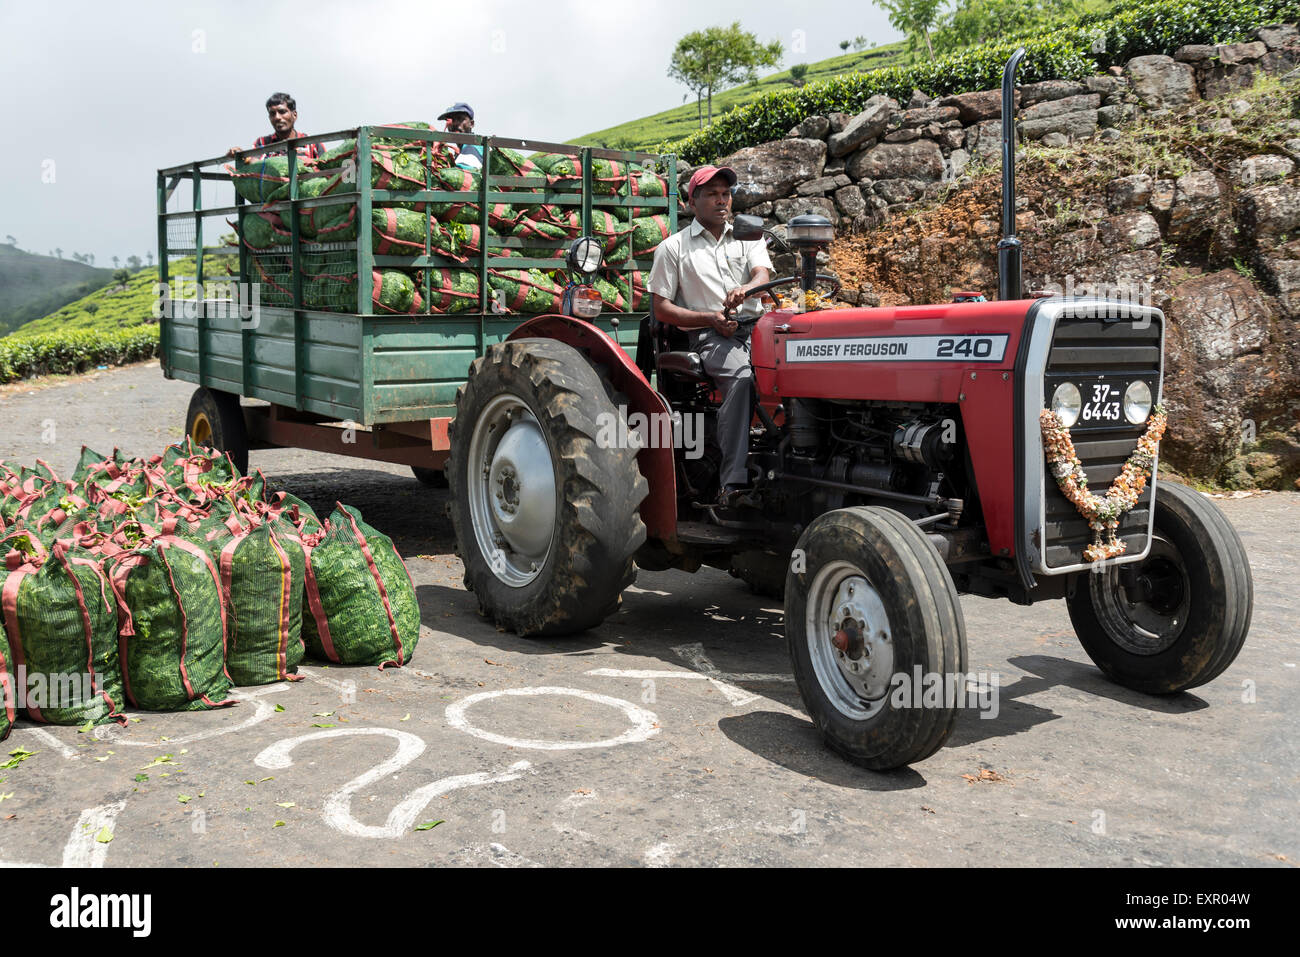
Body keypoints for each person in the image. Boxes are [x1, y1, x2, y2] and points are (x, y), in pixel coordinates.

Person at [648, 165, 773, 505]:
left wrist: (746, 289)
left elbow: (762, 274)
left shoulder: (749, 237)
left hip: (756, 328)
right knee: (742, 377)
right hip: (708, 336)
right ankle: (731, 483)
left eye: (726, 194)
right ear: (692, 203)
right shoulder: (673, 249)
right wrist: (709, 318)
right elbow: (661, 308)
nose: (722, 201)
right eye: (712, 194)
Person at [227, 93, 323, 159]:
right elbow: (254, 163)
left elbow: (326, 169)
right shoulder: (262, 143)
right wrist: (242, 155)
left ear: (294, 115)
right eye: (273, 114)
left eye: (282, 112)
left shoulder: (312, 144)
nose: (277, 117)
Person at [437, 102, 483, 171]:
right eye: (451, 120)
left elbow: (462, 176)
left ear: (472, 124)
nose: (455, 124)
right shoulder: (460, 151)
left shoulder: (471, 147)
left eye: (459, 119)